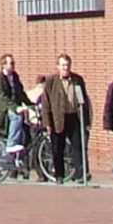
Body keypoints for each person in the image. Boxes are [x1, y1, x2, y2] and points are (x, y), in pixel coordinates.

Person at [37, 55, 91, 183]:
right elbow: (46, 104)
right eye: (63, 65)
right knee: (57, 148)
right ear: (58, 66)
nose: (65, 68)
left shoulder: (77, 80)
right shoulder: (51, 81)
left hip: (73, 116)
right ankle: (59, 175)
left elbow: (84, 102)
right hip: (57, 118)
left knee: (78, 146)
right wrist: (47, 123)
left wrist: (86, 121)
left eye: (67, 65)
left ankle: (80, 174)